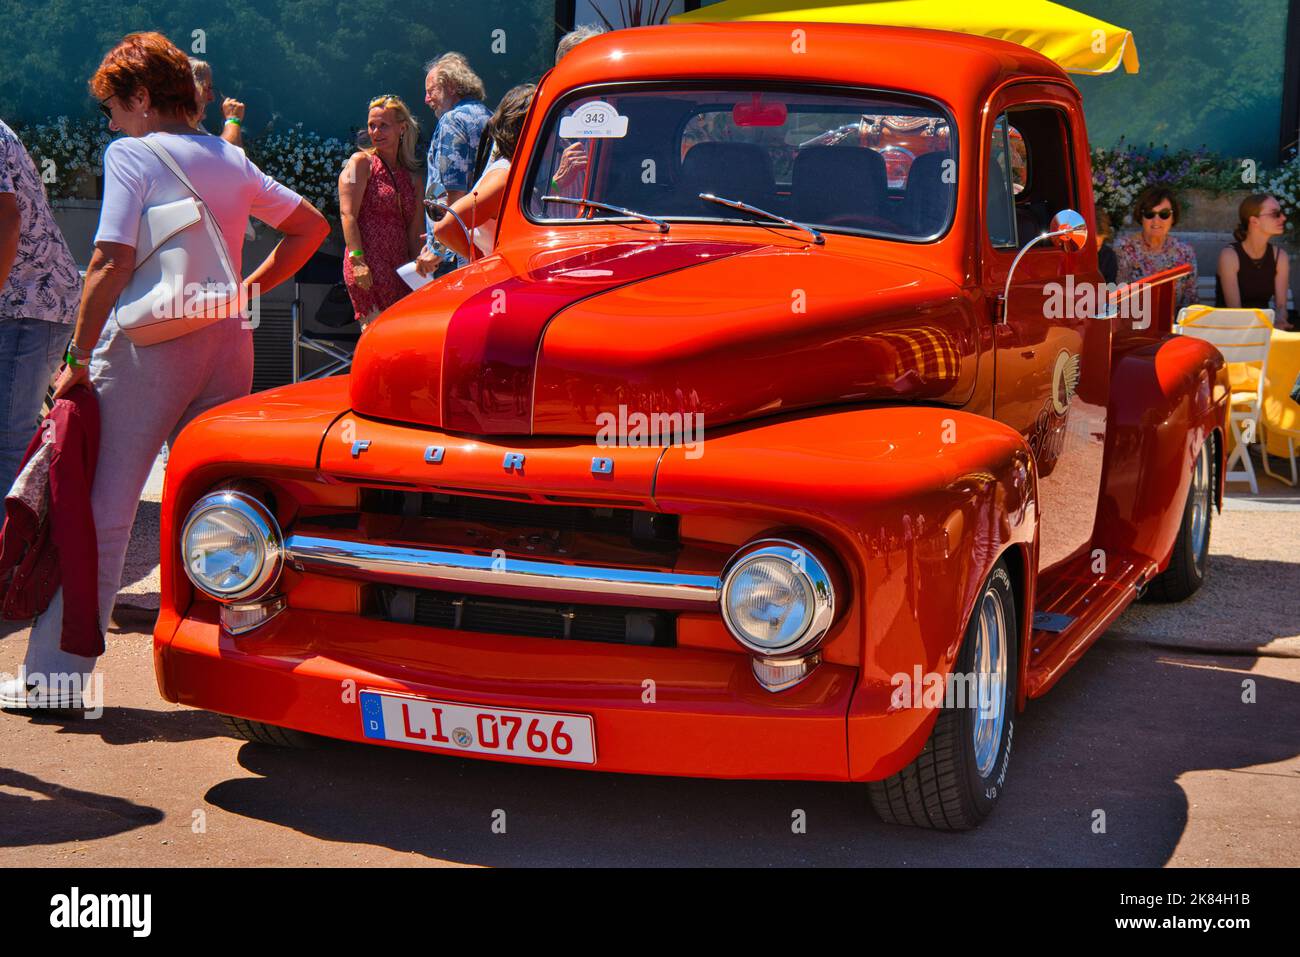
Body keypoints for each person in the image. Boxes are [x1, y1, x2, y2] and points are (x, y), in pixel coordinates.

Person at [0, 31, 328, 713]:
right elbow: (311, 227)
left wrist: (76, 358)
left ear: (142, 96)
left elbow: (110, 261)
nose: (111, 122)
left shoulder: (133, 154)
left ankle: (57, 679)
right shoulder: (230, 159)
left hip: (148, 344)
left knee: (101, 507)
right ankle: (235, 664)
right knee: (224, 506)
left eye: (114, 107)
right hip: (228, 340)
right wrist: (251, 290)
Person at [0, 120, 82, 489]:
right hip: (24, 303)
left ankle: (10, 546)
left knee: (6, 439)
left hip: (30, 304)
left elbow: (7, 221)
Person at [339, 95, 423, 327]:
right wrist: (358, 262)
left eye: (383, 125)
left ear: (402, 128)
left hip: (400, 268)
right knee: (376, 334)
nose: (376, 132)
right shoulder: (360, 163)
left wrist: (419, 272)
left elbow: (415, 231)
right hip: (367, 268)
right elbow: (348, 215)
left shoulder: (413, 178)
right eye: (371, 126)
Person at [431, 84, 535, 261]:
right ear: (527, 128)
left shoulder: (517, 171)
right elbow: (446, 226)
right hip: (498, 279)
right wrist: (481, 263)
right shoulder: (504, 177)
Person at [414, 53, 491, 277]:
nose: (427, 100)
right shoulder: (488, 116)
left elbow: (454, 195)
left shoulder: (452, 120)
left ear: (451, 87)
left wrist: (438, 249)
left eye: (431, 91)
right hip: (482, 242)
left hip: (456, 252)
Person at [1115, 186, 1199, 312]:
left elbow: (1191, 301)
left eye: (1164, 214)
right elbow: (1119, 299)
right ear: (1141, 217)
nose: (1156, 221)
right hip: (1135, 325)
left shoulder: (1184, 252)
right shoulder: (1125, 249)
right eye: (1149, 214)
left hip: (1173, 325)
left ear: (1173, 218)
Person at [1216, 193, 1291, 325]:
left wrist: (1280, 320)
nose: (1283, 218)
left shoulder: (1280, 257)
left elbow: (1281, 306)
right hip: (1230, 330)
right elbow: (1235, 311)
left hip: (1264, 327)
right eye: (1275, 214)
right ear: (1254, 221)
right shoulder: (1230, 256)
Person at [188, 58, 244, 149]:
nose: (212, 98)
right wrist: (233, 120)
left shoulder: (196, 126)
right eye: (207, 88)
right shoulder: (177, 133)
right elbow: (227, 156)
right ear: (191, 90)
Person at [1095, 207, 1118, 285]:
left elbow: (1111, 288)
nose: (1094, 251)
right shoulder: (1069, 257)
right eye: (1090, 246)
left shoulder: (1108, 256)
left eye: (1098, 246)